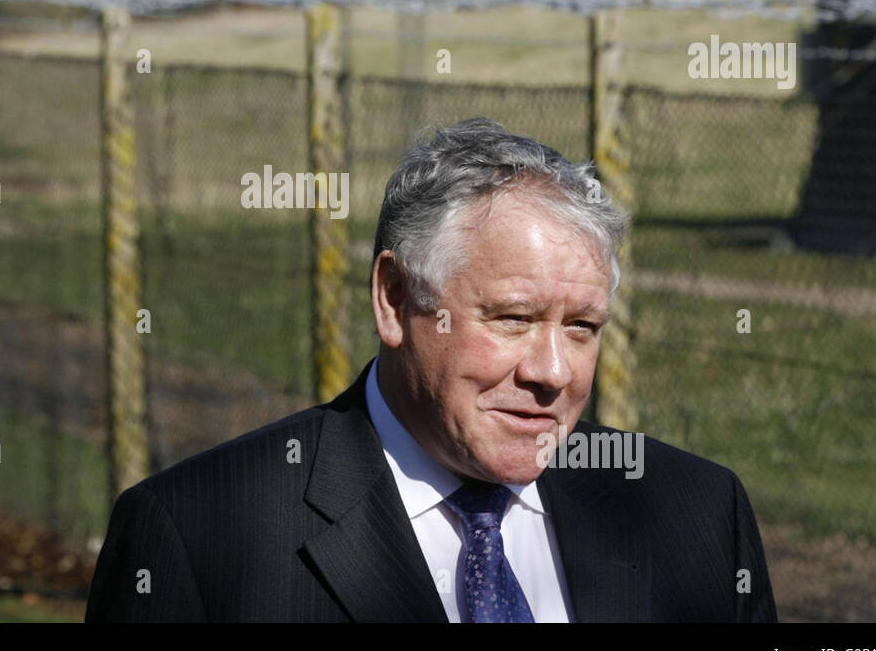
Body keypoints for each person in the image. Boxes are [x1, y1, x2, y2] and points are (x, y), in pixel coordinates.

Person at [86, 117, 777, 622]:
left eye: (582, 327)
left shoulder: (694, 515)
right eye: (512, 317)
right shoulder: (203, 536)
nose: (553, 370)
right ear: (395, 299)